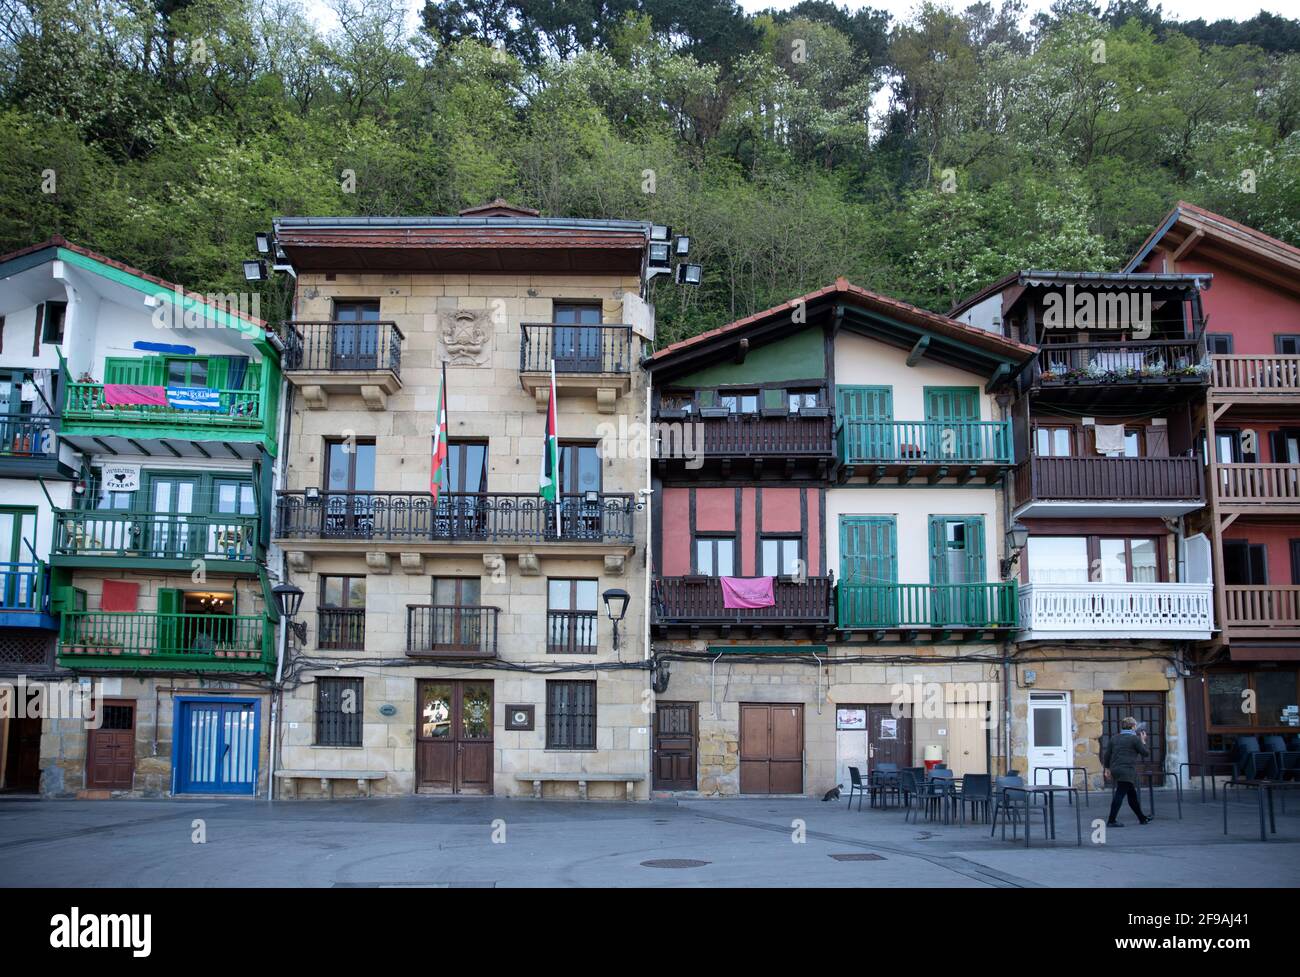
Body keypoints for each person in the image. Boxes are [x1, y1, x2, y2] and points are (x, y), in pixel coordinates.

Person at [1102, 716, 1153, 826]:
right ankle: (1111, 821)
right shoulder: (1134, 739)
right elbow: (1146, 753)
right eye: (1135, 725)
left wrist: (1107, 769)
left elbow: (1107, 755)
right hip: (1127, 770)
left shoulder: (1114, 738)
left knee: (1132, 795)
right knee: (1120, 794)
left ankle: (1142, 818)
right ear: (1133, 727)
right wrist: (1143, 740)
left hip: (1116, 769)